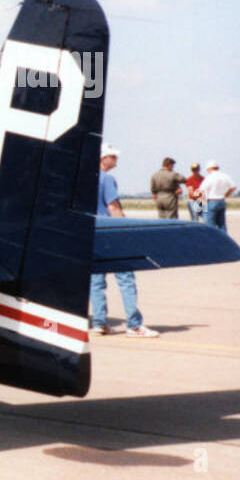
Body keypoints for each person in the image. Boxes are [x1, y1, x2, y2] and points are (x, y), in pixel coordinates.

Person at [90, 145, 158, 338]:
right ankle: (134, 325)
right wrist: (126, 233)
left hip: (93, 232)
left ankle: (99, 322)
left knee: (96, 279)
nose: (116, 160)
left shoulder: (86, 178)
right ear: (103, 158)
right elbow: (113, 207)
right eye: (113, 157)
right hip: (110, 233)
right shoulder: (107, 179)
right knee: (126, 278)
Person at [197, 160, 236, 231]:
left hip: (211, 201)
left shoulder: (209, 177)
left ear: (209, 168)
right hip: (221, 201)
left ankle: (212, 241)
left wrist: (202, 204)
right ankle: (224, 240)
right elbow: (233, 187)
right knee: (222, 224)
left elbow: (201, 191)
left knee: (210, 225)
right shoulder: (225, 176)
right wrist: (226, 195)